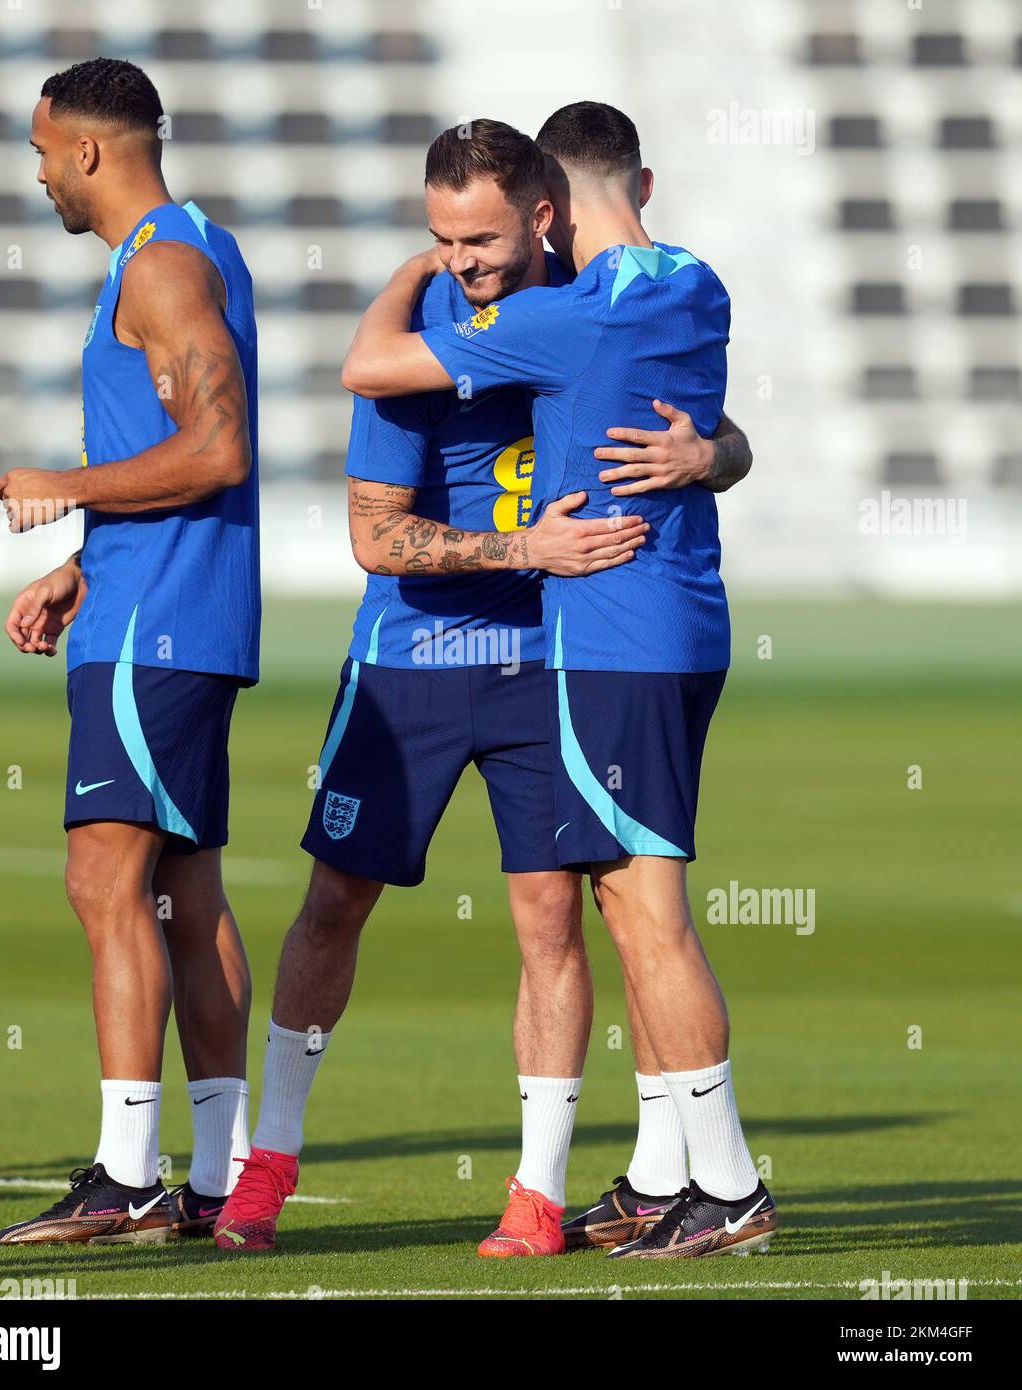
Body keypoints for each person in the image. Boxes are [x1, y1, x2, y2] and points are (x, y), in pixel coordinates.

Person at [214, 120, 751, 1255]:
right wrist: (521, 553)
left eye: (480, 238)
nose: (462, 260)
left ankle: (540, 1191)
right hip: (410, 659)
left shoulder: (592, 311)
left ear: (542, 216)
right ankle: (266, 1163)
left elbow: (704, 423)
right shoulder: (427, 335)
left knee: (556, 917)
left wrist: (712, 453)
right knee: (335, 904)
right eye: (440, 239)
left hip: (548, 662)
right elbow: (374, 537)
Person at [0, 57, 259, 1245]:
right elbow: (187, 455)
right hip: (160, 608)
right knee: (183, 889)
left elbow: (216, 450)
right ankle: (219, 1174)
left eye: (44, 149)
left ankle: (128, 1173)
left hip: (158, 627)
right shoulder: (190, 250)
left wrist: (65, 491)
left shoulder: (157, 266)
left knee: (105, 882)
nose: (40, 171)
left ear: (92, 150)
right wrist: (83, 560)